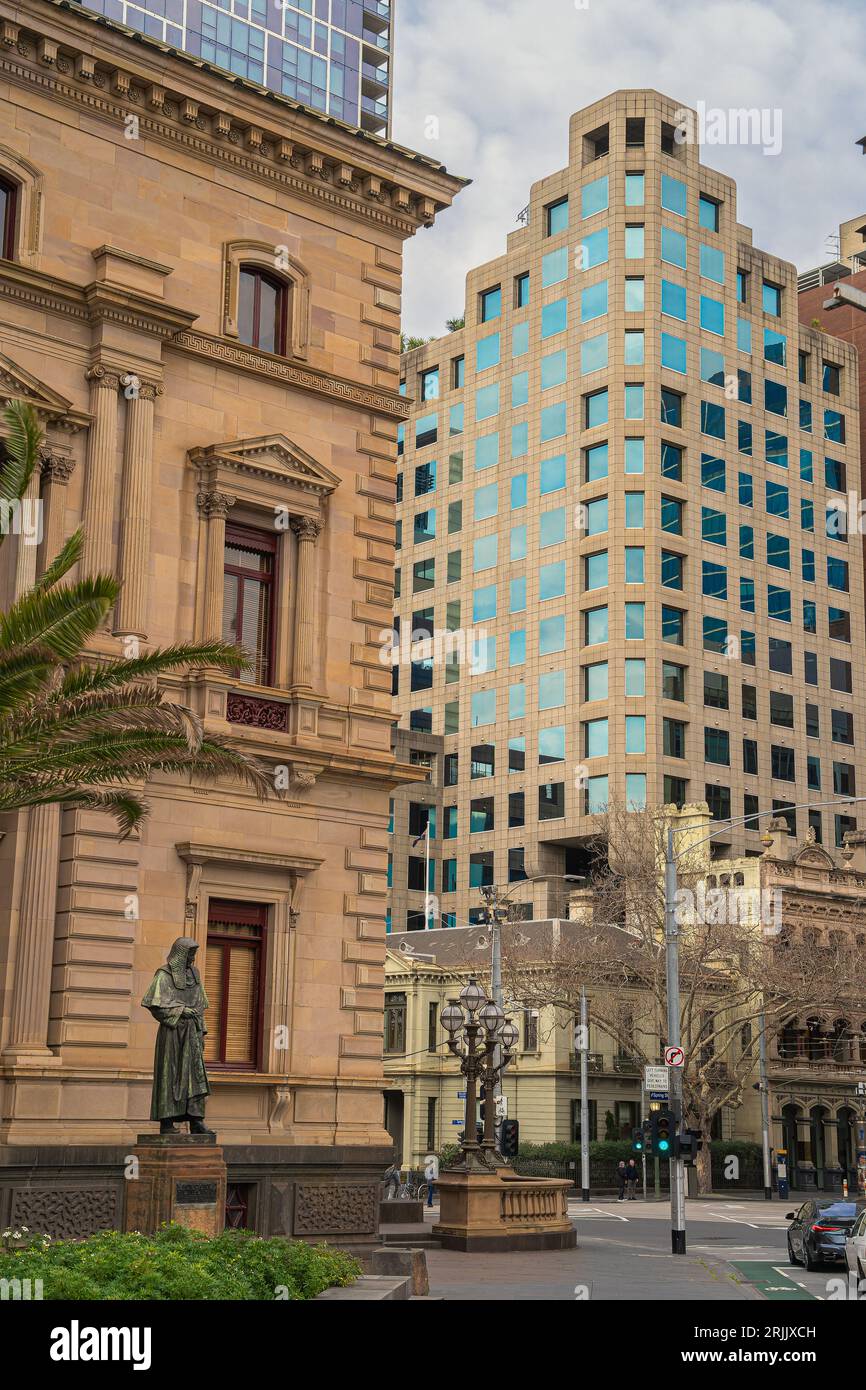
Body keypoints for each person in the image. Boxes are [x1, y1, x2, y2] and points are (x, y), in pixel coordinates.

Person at [142, 937, 213, 1135]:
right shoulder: (164, 975)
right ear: (181, 954)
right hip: (172, 1033)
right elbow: (155, 1005)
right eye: (190, 954)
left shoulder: (195, 975)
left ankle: (196, 1121)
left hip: (192, 1033)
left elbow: (200, 1006)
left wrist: (202, 1031)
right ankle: (167, 1122)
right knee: (170, 1076)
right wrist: (180, 1010)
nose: (193, 958)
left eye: (194, 954)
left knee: (196, 1076)